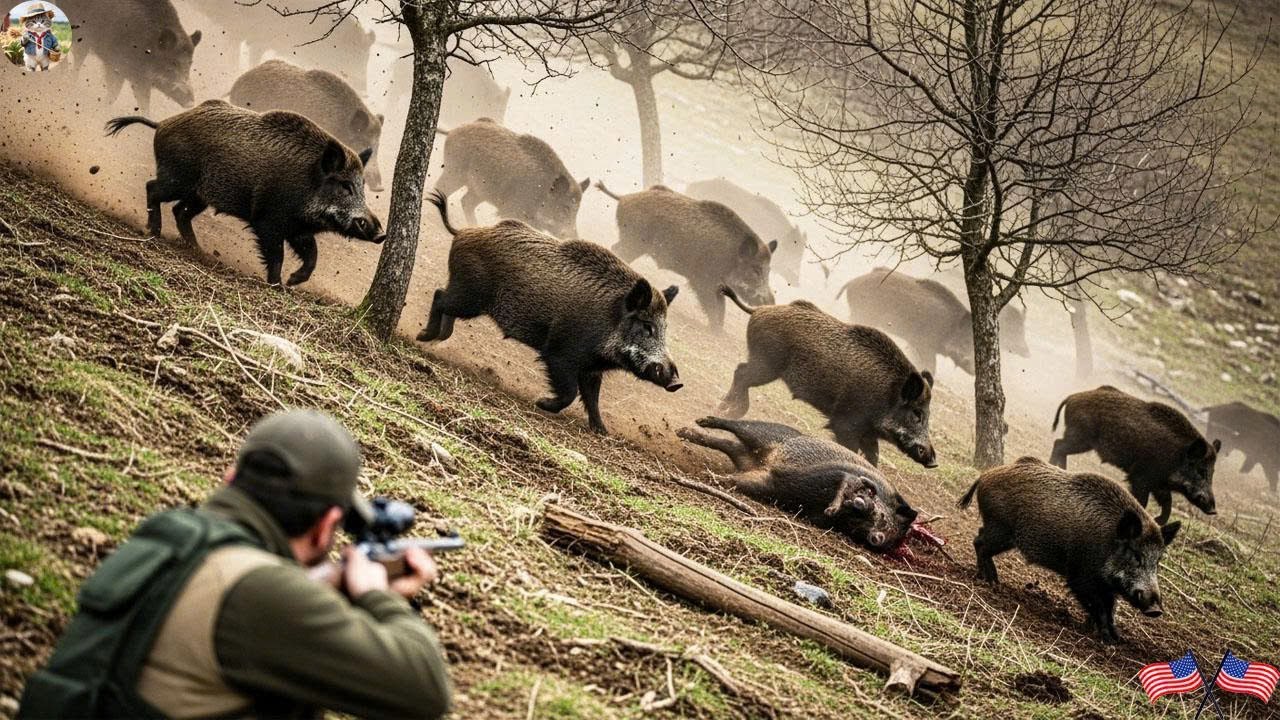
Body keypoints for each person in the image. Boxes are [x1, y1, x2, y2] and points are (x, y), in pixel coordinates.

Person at [18, 410, 452, 719]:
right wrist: (376, 594)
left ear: (231, 480)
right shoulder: (258, 590)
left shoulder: (170, 534)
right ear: (326, 528)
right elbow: (425, 689)